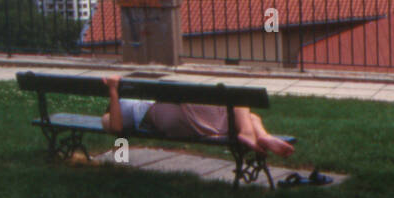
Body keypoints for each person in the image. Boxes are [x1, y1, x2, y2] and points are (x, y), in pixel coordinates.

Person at [99, 75, 294, 156]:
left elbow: (115, 126)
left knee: (244, 114)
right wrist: (114, 91)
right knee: (239, 106)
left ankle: (260, 135)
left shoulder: (125, 105)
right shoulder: (111, 115)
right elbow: (116, 127)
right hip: (168, 114)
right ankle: (252, 133)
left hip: (171, 118)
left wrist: (114, 92)